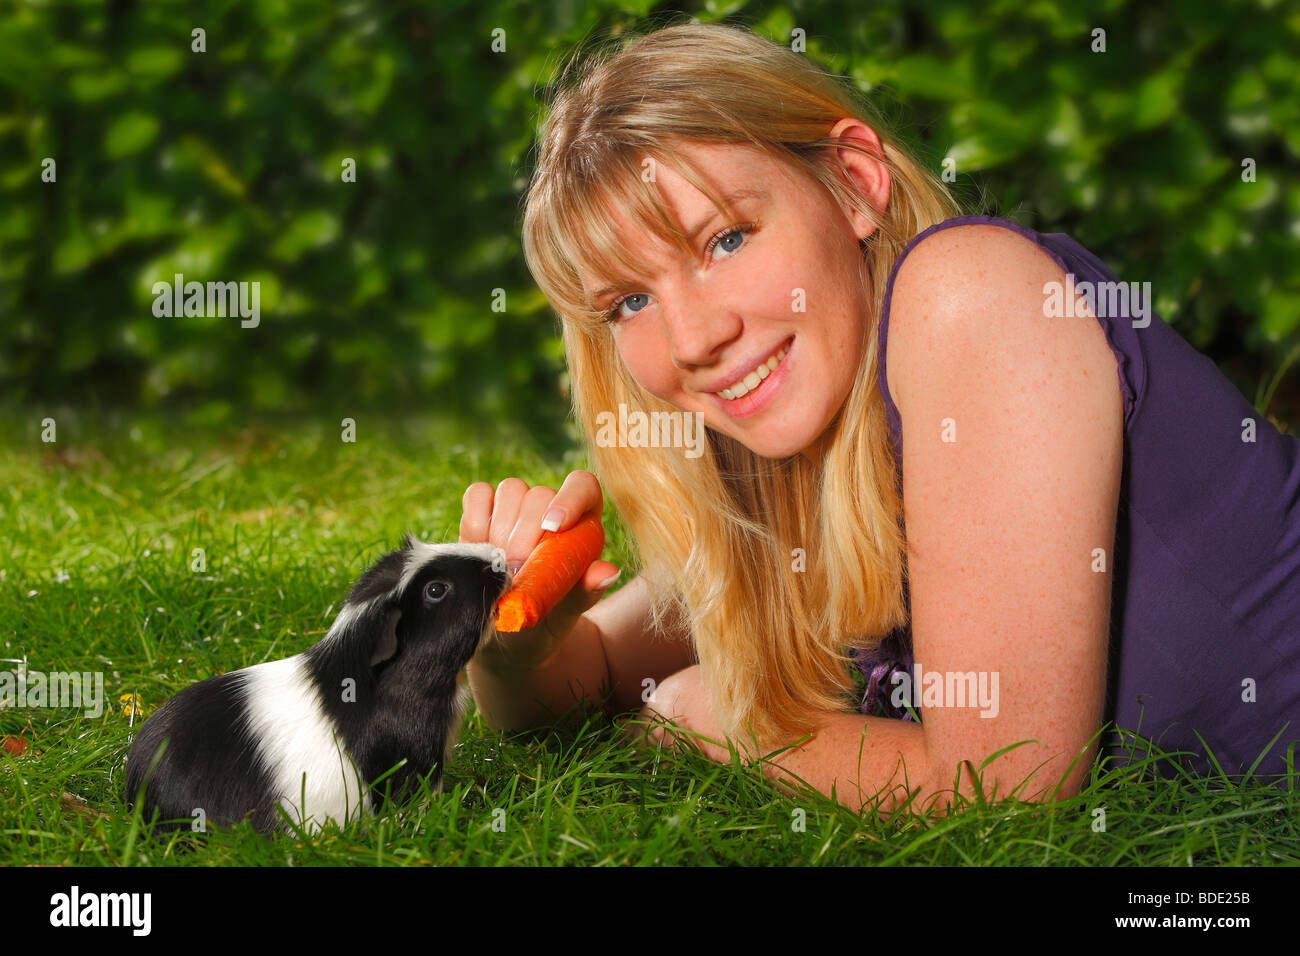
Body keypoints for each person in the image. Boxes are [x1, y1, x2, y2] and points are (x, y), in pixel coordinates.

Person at [462, 21, 1300, 815]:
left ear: (854, 182)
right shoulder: (787, 454)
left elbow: (1008, 787)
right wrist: (513, 644)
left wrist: (710, 719)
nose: (694, 339)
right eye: (632, 300)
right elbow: (596, 670)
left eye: (725, 241)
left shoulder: (968, 295)